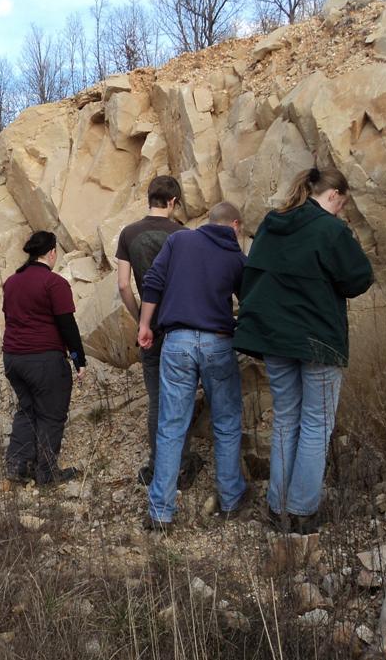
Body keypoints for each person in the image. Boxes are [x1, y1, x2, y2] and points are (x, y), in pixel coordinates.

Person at [234, 167, 374, 534]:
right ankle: (301, 510)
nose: (341, 212)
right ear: (334, 195)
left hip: (275, 339)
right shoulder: (331, 229)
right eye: (341, 205)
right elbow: (359, 278)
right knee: (316, 423)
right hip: (318, 340)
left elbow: (252, 274)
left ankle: (277, 507)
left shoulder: (271, 223)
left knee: (286, 420)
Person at [138, 202, 248, 531]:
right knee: (227, 423)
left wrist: (145, 325)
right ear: (236, 225)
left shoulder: (179, 241)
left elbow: (153, 282)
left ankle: (160, 512)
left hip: (177, 341)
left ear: (207, 222)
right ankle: (230, 499)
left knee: (171, 426)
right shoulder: (237, 258)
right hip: (217, 341)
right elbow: (250, 301)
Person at [116, 175, 203, 488]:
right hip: (180, 325)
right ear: (174, 202)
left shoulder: (129, 233)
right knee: (180, 397)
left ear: (148, 198)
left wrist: (140, 316)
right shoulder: (184, 234)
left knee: (156, 399)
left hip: (148, 327)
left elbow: (124, 285)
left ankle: (156, 466)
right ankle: (182, 465)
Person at [1, 231, 86, 485]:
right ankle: (47, 473)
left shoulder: (12, 282)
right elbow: (67, 324)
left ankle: (17, 465)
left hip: (13, 358)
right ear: (51, 253)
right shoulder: (54, 283)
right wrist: (79, 359)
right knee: (51, 414)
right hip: (44, 359)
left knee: (27, 409)